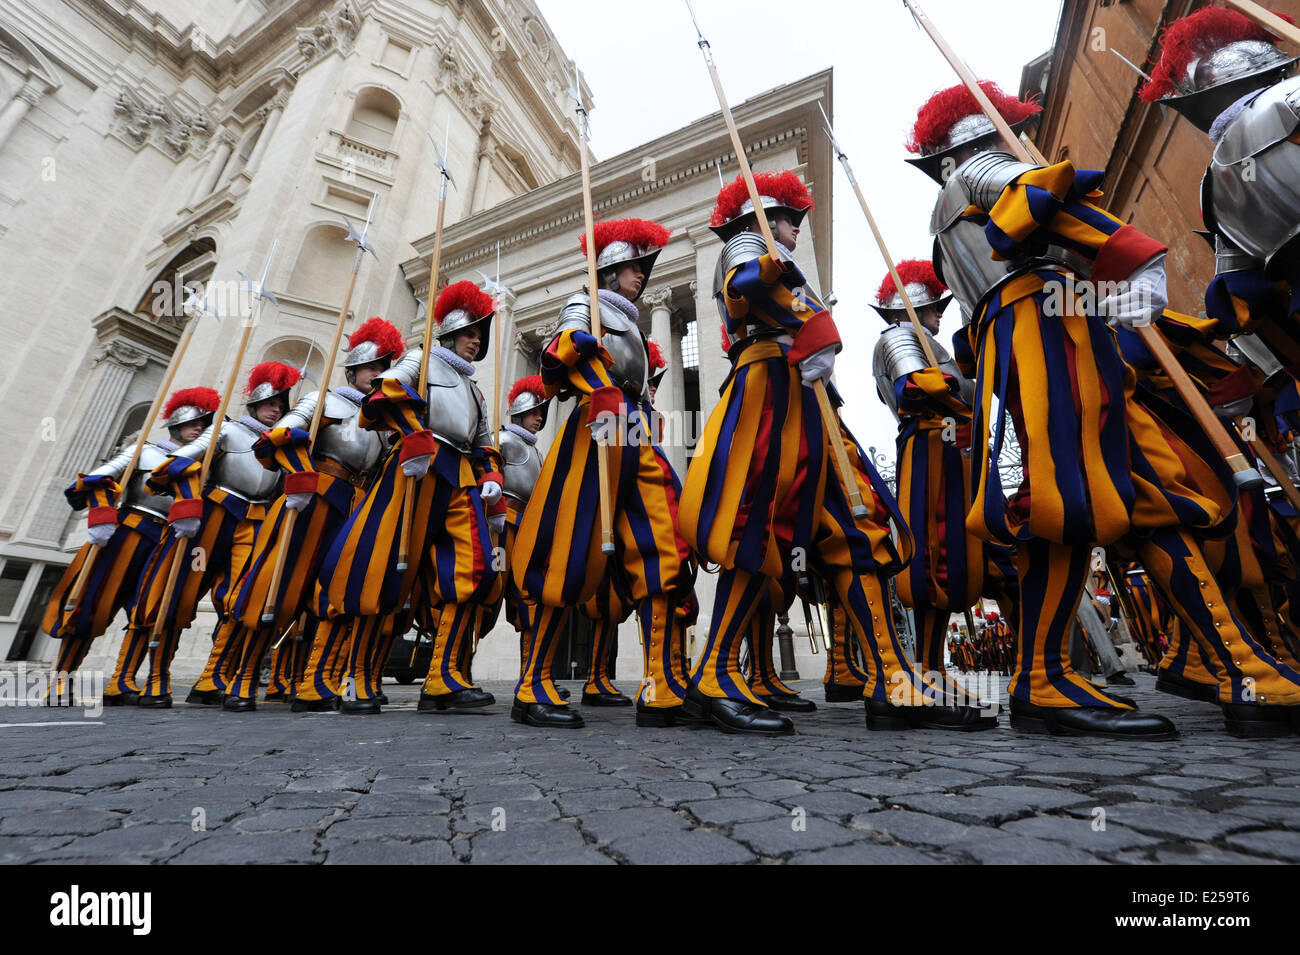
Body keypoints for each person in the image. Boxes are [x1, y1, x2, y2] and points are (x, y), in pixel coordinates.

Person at [906, 78, 1300, 737]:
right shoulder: (977, 169)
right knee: (1066, 503)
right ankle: (1046, 677)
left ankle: (1236, 664)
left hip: (1061, 333)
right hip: (1042, 333)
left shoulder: (955, 202)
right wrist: (1122, 250)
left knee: (1148, 499)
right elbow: (1032, 199)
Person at [681, 169, 993, 735]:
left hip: (813, 399)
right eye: (788, 219)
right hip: (770, 390)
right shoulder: (749, 246)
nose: (795, 229)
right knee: (757, 530)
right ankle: (716, 674)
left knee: (859, 527)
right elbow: (743, 280)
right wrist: (795, 300)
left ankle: (890, 678)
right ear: (763, 219)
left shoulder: (781, 262)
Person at [513, 219, 695, 729]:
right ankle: (531, 685)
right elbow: (557, 355)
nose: (640, 275)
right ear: (609, 273)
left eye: (641, 268)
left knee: (663, 541)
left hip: (635, 428)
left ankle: (659, 681)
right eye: (631, 268)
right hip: (595, 426)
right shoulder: (585, 304)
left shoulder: (633, 324)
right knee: (567, 552)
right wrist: (579, 347)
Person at [316, 282, 503, 714]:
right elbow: (383, 396)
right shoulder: (420, 360)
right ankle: (357, 677)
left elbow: (483, 439)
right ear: (451, 332)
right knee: (382, 569)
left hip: (459, 476)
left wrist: (491, 473)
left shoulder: (474, 390)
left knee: (470, 568)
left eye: (481, 335)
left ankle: (443, 678)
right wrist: (413, 436)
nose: (477, 341)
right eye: (470, 332)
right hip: (413, 469)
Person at [214, 318, 401, 711]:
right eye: (373, 367)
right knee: (276, 584)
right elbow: (276, 437)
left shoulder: (382, 419)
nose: (379, 375)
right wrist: (300, 473)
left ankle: (317, 680)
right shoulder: (320, 401)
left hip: (354, 504)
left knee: (336, 589)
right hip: (311, 497)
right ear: (353, 370)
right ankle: (243, 678)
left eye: (386, 368)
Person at [870, 259, 1019, 701]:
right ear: (909, 310)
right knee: (937, 559)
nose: (938, 313)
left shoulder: (936, 348)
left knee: (997, 554)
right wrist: (953, 383)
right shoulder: (898, 337)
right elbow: (912, 389)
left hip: (961, 453)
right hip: (933, 450)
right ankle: (930, 670)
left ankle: (1038, 666)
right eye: (933, 306)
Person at [127, 363, 295, 706]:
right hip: (215, 515)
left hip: (256, 521)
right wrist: (183, 498)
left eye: (282, 403)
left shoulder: (278, 443)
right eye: (270, 402)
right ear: (255, 404)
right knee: (180, 592)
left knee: (240, 598)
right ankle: (157, 677)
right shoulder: (225, 431)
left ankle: (213, 676)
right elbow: (178, 461)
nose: (276, 408)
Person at [44, 388, 217, 703]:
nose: (200, 430)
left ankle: (122, 680)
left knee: (148, 609)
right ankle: (61, 679)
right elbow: (93, 480)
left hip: (169, 541)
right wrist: (101, 516)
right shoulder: (144, 452)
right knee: (92, 604)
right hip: (127, 532)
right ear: (176, 425)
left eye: (205, 425)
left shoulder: (203, 465)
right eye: (195, 423)